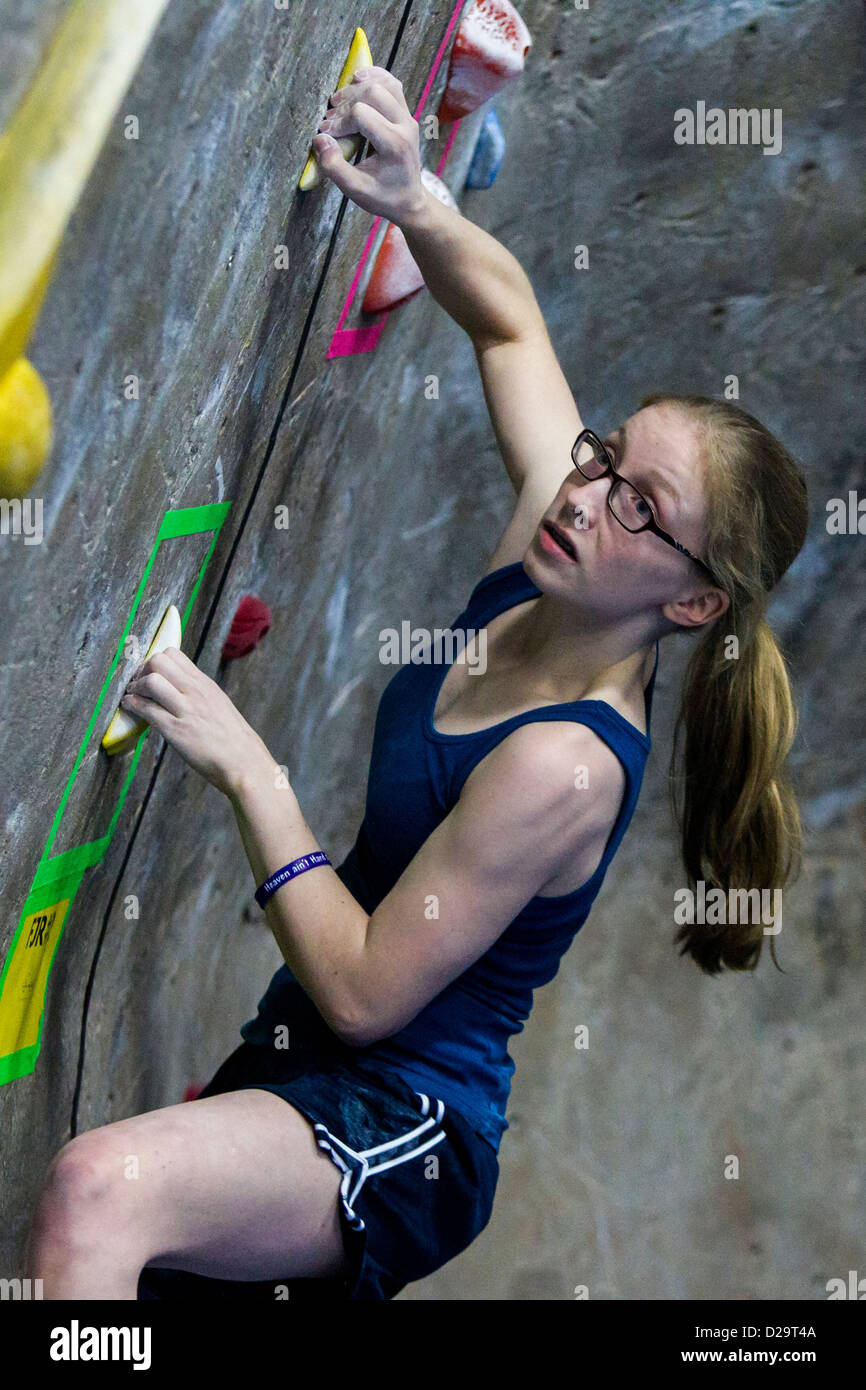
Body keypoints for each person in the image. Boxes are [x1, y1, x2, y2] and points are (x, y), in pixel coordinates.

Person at [24, 67, 809, 1302]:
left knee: (97, 1191)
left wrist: (248, 767)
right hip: (303, 1055)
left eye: (637, 506)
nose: (585, 496)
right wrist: (413, 196)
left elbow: (361, 990)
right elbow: (510, 326)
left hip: (406, 1124)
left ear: (693, 603)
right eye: (603, 457)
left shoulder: (566, 763)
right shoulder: (552, 552)